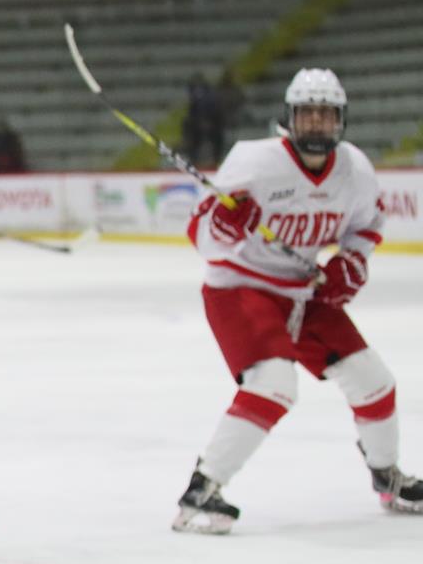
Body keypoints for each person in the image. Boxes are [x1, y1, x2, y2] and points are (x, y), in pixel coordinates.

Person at [174, 69, 421, 532]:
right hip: (240, 286)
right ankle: (201, 491)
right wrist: (225, 226)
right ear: (290, 117)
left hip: (303, 293)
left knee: (376, 383)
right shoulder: (254, 161)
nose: (316, 124)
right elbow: (203, 239)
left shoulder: (355, 169)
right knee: (274, 383)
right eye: (307, 113)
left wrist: (352, 263)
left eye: (325, 115)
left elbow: (365, 228)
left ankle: (388, 479)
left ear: (340, 120)